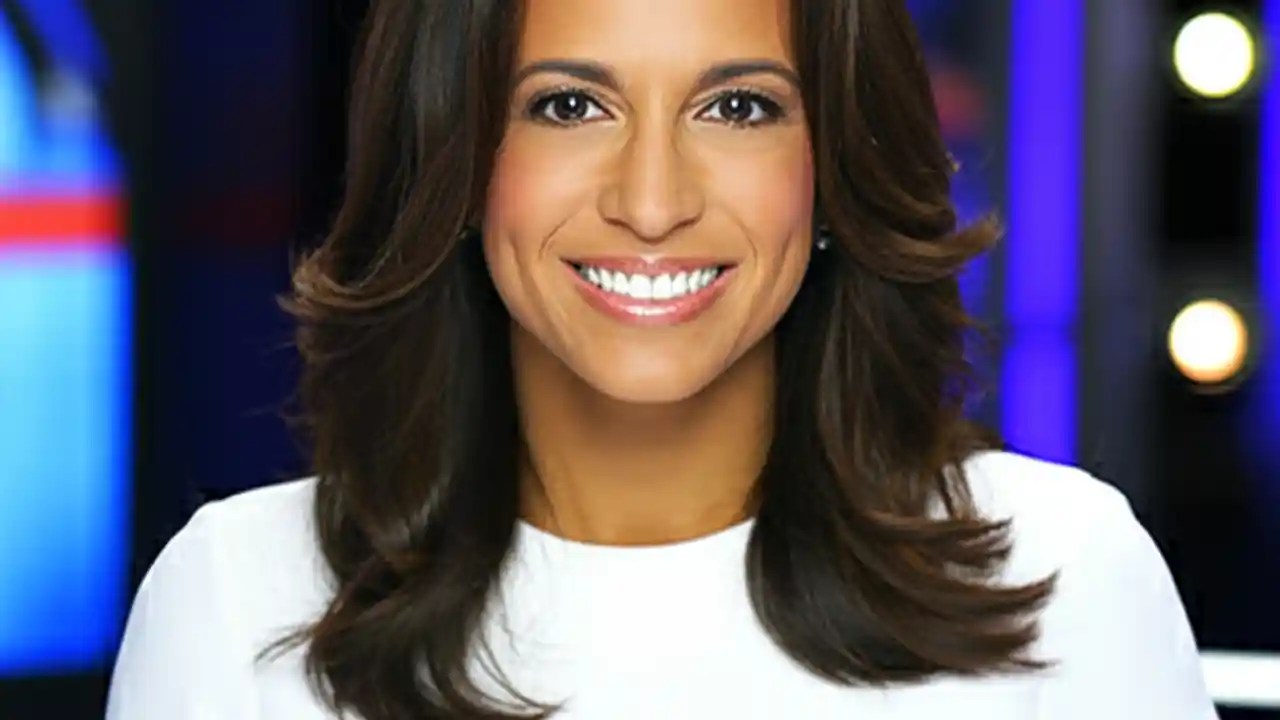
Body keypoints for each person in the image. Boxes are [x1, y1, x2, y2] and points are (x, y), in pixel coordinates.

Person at [104, 0, 1219, 718]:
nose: (651, 203)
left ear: (831, 169)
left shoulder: (1058, 573)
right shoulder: (239, 597)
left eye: (736, 107)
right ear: (458, 160)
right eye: (568, 105)